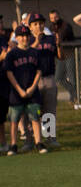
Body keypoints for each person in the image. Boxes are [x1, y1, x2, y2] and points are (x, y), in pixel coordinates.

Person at [4, 26, 46, 154]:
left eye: (27, 36)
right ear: (16, 38)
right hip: (16, 92)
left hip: (32, 91)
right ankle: (13, 145)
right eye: (21, 36)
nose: (25, 38)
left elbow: (39, 71)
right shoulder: (12, 54)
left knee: (35, 117)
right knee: (14, 120)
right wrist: (19, 89)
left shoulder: (35, 52)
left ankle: (38, 143)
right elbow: (9, 73)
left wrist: (33, 87)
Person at [26, 13, 59, 148]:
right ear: (30, 27)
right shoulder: (26, 40)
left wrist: (59, 44)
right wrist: (36, 41)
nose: (38, 26)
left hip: (49, 78)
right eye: (35, 24)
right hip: (33, 81)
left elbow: (60, 56)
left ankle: (50, 138)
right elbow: (26, 53)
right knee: (32, 112)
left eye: (40, 23)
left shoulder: (51, 39)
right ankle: (31, 140)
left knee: (49, 110)